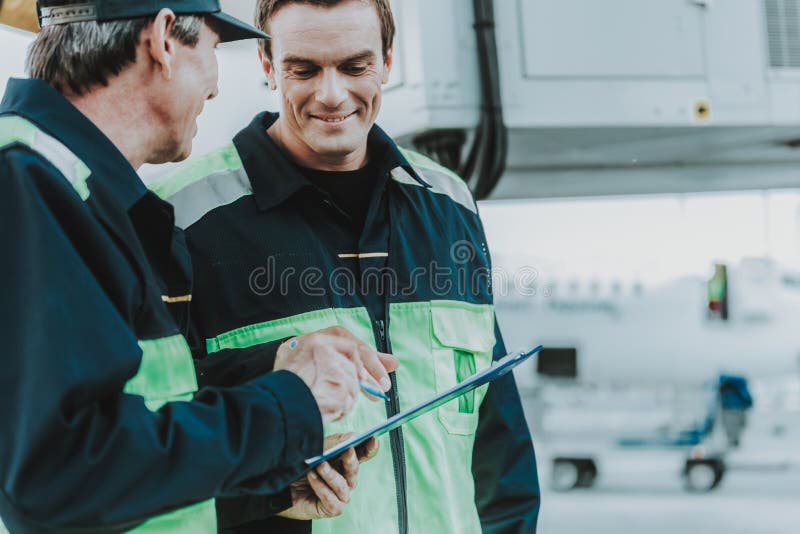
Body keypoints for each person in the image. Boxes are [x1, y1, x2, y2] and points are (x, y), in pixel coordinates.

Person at [0, 1, 397, 532]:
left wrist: (260, 492)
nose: (214, 87)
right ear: (164, 39)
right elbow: (56, 477)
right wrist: (287, 405)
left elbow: (111, 456)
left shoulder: (65, 188)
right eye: (213, 49)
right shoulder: (30, 185)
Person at [153, 0, 541, 532]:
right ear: (267, 66)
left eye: (355, 67)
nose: (331, 94)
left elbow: (497, 438)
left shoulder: (449, 203)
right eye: (304, 69)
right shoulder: (179, 217)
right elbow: (143, 439)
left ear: (387, 61)